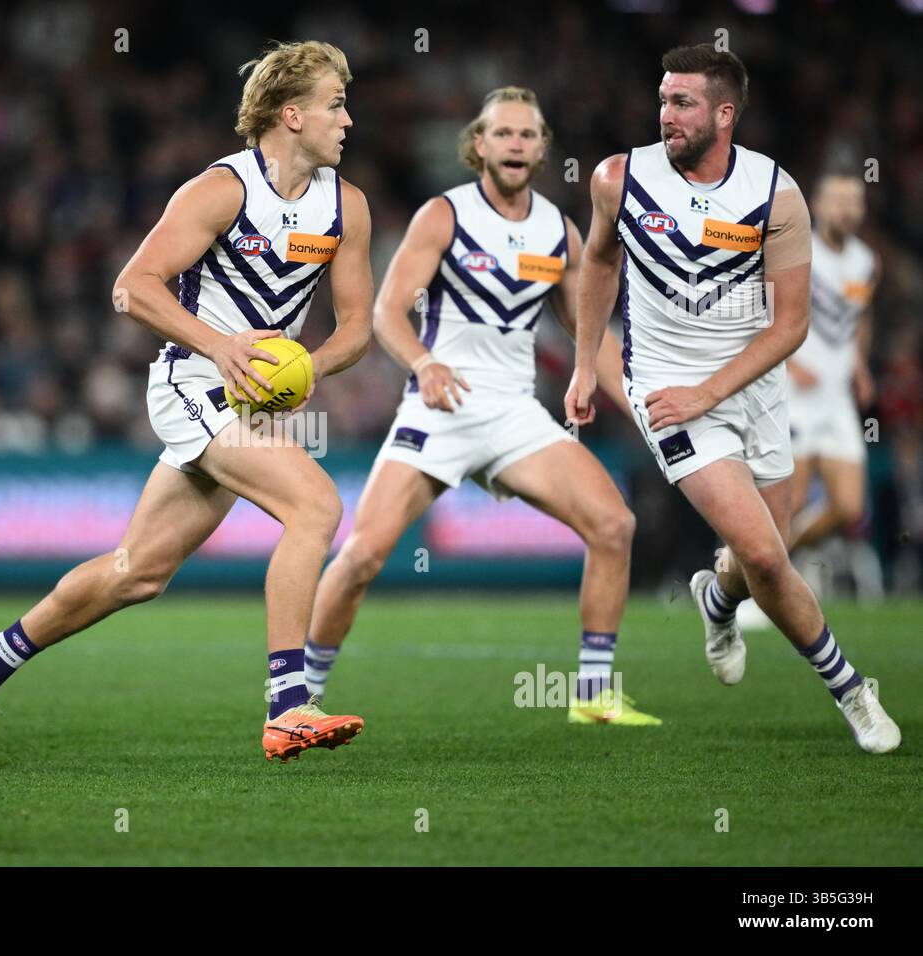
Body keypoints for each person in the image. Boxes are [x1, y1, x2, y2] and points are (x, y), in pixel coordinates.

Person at [0, 41, 374, 763]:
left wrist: (308, 366)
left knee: (135, 573)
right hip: (193, 382)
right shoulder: (220, 190)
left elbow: (358, 326)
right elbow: (132, 287)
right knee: (317, 507)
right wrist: (223, 347)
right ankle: (288, 707)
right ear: (292, 114)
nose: (348, 120)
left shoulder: (346, 207)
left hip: (252, 404)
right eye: (336, 105)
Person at [566, 44, 899, 753]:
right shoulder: (617, 179)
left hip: (753, 388)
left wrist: (713, 390)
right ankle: (852, 692)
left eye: (682, 102)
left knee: (757, 558)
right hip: (665, 391)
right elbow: (597, 261)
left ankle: (716, 602)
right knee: (768, 556)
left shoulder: (776, 195)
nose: (666, 115)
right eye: (662, 99)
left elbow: (792, 325)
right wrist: (584, 365)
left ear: (724, 113)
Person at [305, 87, 656, 725]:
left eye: (527, 135)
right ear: (479, 145)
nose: (515, 144)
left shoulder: (559, 231)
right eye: (503, 134)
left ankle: (594, 694)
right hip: (438, 409)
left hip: (513, 414)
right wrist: (425, 363)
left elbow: (591, 336)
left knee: (614, 526)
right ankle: (300, 695)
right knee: (360, 557)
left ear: (542, 148)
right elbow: (386, 312)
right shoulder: (444, 215)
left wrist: (645, 414)